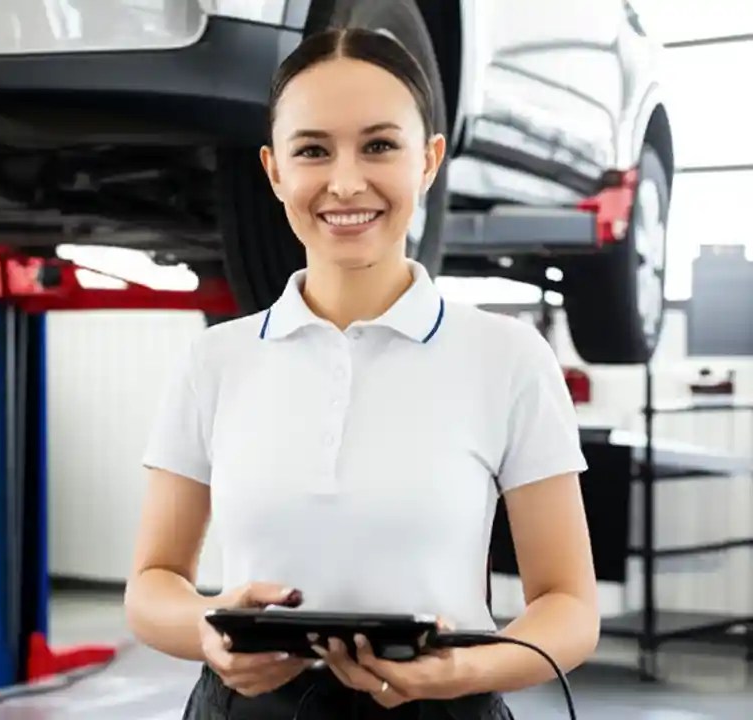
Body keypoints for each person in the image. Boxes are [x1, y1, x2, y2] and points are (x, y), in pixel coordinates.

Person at [123, 27, 600, 720]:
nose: (346, 182)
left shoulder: (508, 357)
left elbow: (569, 607)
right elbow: (151, 584)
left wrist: (467, 669)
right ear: (274, 170)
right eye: (313, 150)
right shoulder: (215, 361)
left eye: (380, 145)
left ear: (429, 160)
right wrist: (206, 626)